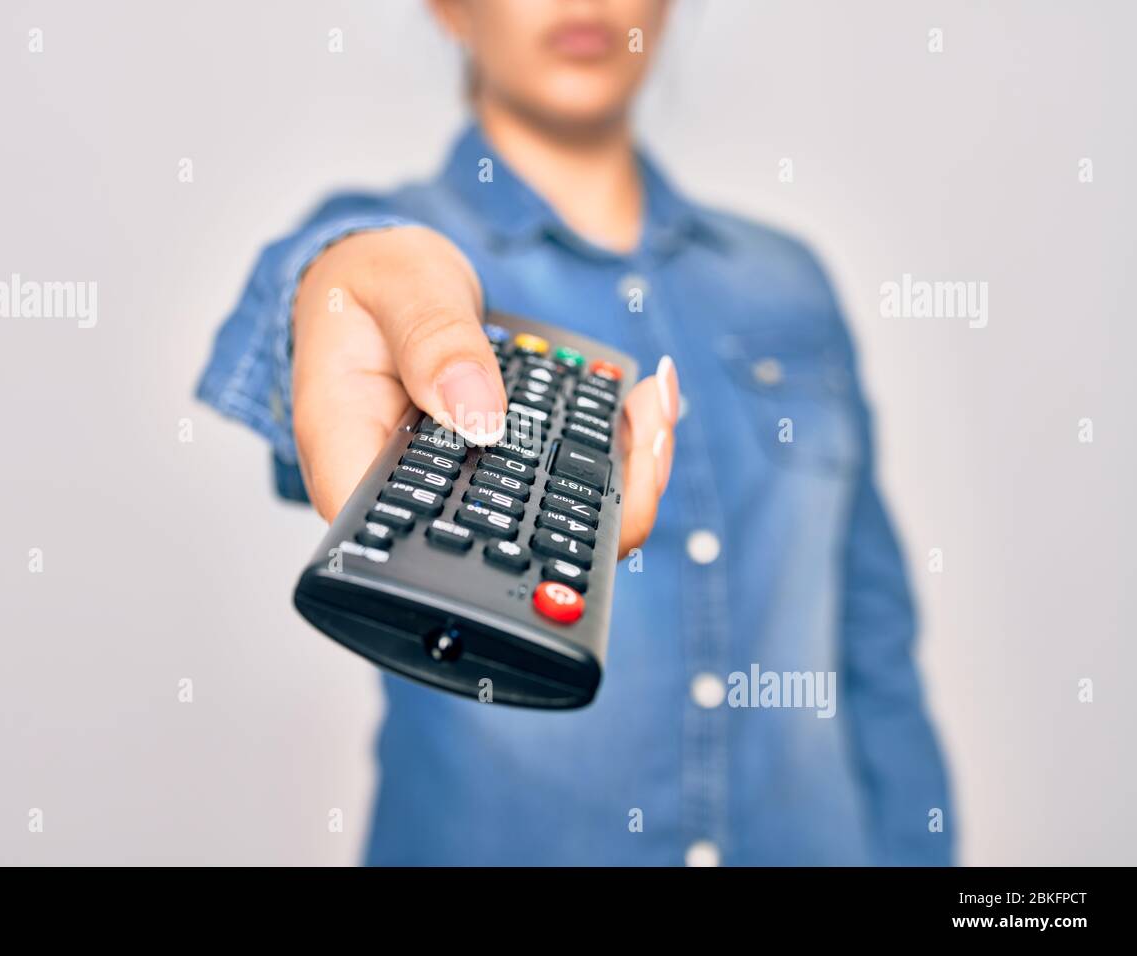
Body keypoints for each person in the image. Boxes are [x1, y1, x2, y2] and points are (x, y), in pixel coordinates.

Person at [197, 0, 953, 865]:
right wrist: (337, 284)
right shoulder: (405, 248)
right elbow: (333, 289)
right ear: (449, 9)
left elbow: (874, 653)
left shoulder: (789, 281)